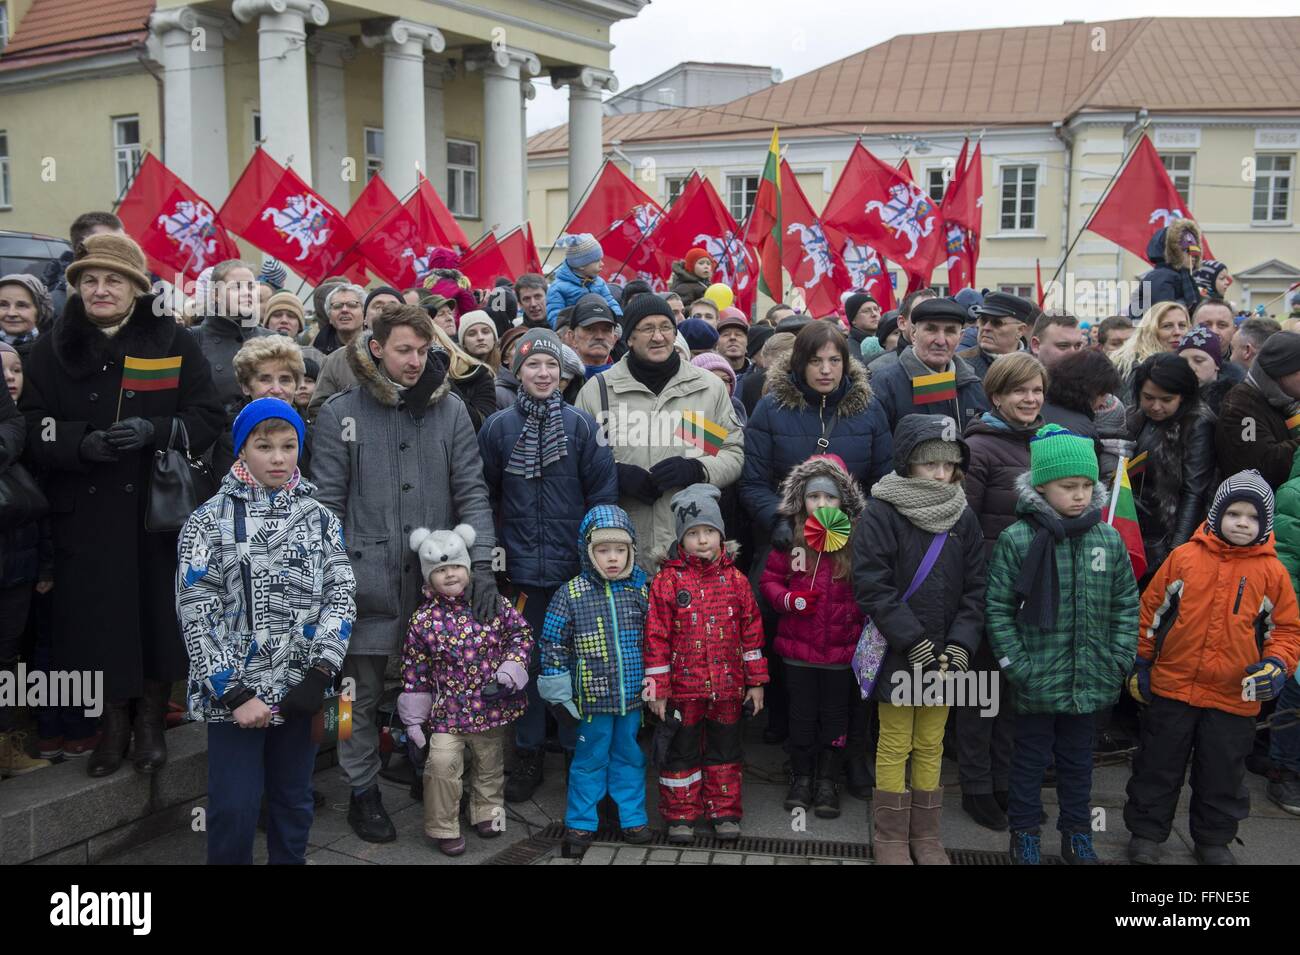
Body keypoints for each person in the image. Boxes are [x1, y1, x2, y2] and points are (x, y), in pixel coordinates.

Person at [21, 233, 224, 778]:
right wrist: (76, 442)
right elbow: (30, 424)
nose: (100, 288)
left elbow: (207, 418)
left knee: (156, 617)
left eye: (113, 279)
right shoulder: (49, 347)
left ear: (136, 287)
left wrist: (155, 430)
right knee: (98, 622)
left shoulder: (173, 341)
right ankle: (113, 726)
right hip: (83, 516)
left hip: (154, 512)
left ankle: (152, 723)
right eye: (89, 279)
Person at [311, 303, 496, 844]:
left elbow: (472, 491)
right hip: (361, 583)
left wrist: (480, 565)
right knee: (352, 698)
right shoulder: (340, 413)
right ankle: (361, 790)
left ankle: (430, 775)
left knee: (439, 686)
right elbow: (324, 505)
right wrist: (331, 582)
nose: (415, 361)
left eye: (423, 349)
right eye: (403, 350)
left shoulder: (452, 411)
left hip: (436, 582)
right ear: (377, 349)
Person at [177, 398, 354, 864]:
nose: (278, 457)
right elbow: (197, 609)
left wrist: (319, 675)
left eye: (288, 445)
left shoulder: (320, 519)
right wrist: (233, 693)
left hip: (298, 690)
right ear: (241, 451)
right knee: (234, 807)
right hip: (235, 697)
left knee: (293, 800)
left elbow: (340, 597)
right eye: (264, 446)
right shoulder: (208, 520)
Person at [1126, 471, 1300, 865]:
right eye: (1234, 513)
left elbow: (1286, 630)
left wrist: (1276, 664)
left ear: (1266, 524)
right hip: (1173, 687)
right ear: (1216, 513)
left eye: (1253, 517)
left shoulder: (1272, 573)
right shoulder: (1184, 558)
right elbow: (1149, 615)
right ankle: (1147, 833)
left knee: (1223, 774)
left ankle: (1214, 838)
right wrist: (1139, 663)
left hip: (1234, 695)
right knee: (1157, 765)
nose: (1242, 522)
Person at [985, 424, 1139, 865]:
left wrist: (1117, 659)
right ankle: (1025, 834)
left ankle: (1077, 833)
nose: (1079, 495)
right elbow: (998, 608)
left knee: (1078, 765)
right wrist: (1019, 667)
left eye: (1087, 486)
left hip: (1091, 678)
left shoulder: (1107, 539)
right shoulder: (1019, 539)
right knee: (1030, 762)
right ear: (1041, 487)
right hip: (1036, 677)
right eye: (1068, 486)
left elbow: (1126, 604)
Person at [477, 328, 618, 801]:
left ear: (563, 373)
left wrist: (595, 559)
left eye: (551, 366)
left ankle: (579, 748)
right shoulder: (498, 427)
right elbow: (486, 495)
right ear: (518, 372)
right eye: (533, 365)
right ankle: (529, 750)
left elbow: (602, 496)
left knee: (578, 662)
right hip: (518, 571)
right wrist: (496, 554)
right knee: (529, 662)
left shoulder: (582, 426)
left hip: (574, 572)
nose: (543, 373)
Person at [853, 414, 985, 865]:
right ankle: (890, 835)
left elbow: (976, 587)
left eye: (948, 466)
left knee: (932, 742)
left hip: (946, 655)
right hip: (899, 649)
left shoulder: (963, 514)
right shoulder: (882, 512)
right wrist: (910, 639)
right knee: (894, 742)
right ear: (908, 463)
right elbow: (873, 584)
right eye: (930, 464)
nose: (941, 474)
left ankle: (926, 834)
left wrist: (962, 644)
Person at [574, 295, 743, 569]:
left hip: (689, 552)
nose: (658, 337)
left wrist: (697, 469)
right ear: (628, 338)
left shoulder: (705, 389)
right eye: (647, 328)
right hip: (621, 555)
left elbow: (731, 453)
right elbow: (577, 464)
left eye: (665, 327)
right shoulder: (599, 391)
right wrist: (615, 475)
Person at [398, 524, 532, 857]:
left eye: (456, 566)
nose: (450, 575)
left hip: (490, 705)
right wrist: (414, 721)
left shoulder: (492, 602)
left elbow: (521, 636)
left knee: (490, 764)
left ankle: (489, 815)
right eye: (440, 570)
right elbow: (415, 669)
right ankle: (443, 826)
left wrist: (508, 672)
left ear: (469, 568)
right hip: (448, 712)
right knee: (441, 765)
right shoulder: (423, 620)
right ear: (429, 578)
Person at [645, 484, 768, 844]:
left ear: (721, 535)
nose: (702, 540)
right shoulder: (667, 581)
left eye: (709, 532)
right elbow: (655, 638)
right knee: (680, 750)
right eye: (693, 533)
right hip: (683, 690)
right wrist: (657, 689)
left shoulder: (737, 581)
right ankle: (680, 814)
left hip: (728, 688)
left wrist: (756, 681)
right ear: (681, 538)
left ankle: (724, 810)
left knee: (725, 750)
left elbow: (752, 633)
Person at [957, 352, 1048, 830]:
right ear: (996, 397)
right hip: (991, 592)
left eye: (1036, 390)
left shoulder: (1048, 443)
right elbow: (962, 527)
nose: (1030, 399)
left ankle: (1007, 780)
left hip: (1034, 592)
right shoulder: (980, 449)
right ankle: (976, 786)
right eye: (1020, 391)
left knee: (1015, 694)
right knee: (981, 693)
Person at [537, 505, 653, 855]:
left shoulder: (642, 589)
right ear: (588, 552)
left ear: (631, 550)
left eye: (620, 550)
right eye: (603, 551)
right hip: (590, 699)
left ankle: (632, 817)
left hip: (632, 697)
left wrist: (658, 680)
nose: (613, 558)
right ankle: (582, 822)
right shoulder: (570, 594)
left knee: (630, 756)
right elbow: (553, 643)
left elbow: (656, 638)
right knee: (588, 759)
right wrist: (557, 686)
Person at [759, 454, 865, 819]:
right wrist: (789, 599)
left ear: (844, 501)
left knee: (836, 718)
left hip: (840, 651)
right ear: (801, 498)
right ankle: (801, 774)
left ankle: (828, 778)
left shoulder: (857, 536)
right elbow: (770, 581)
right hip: (798, 650)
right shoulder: (792, 536)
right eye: (814, 497)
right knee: (801, 716)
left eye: (831, 497)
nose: (822, 504)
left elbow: (870, 587)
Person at [1128, 354, 1215, 579]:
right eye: (1148, 397)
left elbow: (1194, 490)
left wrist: (1177, 549)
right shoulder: (1138, 418)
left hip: (1167, 534)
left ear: (1182, 397)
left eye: (1166, 400)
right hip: (1136, 525)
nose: (1156, 406)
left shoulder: (1197, 423)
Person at [191, 260, 274, 465]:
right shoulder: (193, 339)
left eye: (251, 286)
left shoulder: (273, 340)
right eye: (237, 287)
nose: (247, 293)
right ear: (215, 294)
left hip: (267, 452)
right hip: (208, 457)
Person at [870, 296, 990, 433]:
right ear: (914, 334)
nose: (940, 341)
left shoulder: (974, 385)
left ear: (960, 338)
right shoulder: (885, 385)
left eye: (950, 331)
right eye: (931, 329)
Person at [1216, 330, 1300, 489]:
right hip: (1254, 509)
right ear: (1281, 372)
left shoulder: (1290, 403)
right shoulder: (1241, 406)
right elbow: (1260, 465)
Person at [42, 211, 123, 316]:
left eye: (123, 243)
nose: (122, 250)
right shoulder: (54, 306)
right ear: (81, 250)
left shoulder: (137, 295)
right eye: (109, 244)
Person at [1112, 301, 1192, 406]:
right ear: (1150, 330)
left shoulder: (1187, 362)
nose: (1177, 332)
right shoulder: (1137, 368)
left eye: (1182, 325)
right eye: (1167, 326)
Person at [1129, 219, 1203, 316]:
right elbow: (1164, 317)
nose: (1193, 256)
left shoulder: (1184, 278)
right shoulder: (1161, 277)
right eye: (1187, 251)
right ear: (1174, 252)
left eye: (1196, 251)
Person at [546, 234, 622, 328]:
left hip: (600, 327)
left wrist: (618, 319)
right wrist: (566, 331)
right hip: (574, 334)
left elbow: (610, 302)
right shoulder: (558, 288)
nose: (602, 264)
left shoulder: (599, 282)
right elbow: (555, 315)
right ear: (581, 265)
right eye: (597, 261)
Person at [958, 291, 1032, 381]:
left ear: (1020, 330)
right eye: (983, 320)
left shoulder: (1035, 367)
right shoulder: (958, 363)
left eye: (997, 323)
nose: (986, 327)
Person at [867, 288, 937, 377]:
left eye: (938, 317)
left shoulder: (951, 365)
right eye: (920, 316)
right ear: (902, 323)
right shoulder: (877, 369)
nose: (930, 323)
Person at [1177, 325, 1234, 415]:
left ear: (1217, 364)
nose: (1190, 368)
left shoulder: (1234, 403)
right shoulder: (1171, 398)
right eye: (1183, 361)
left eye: (1198, 361)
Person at [0, 274, 55, 357]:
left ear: (40, 310)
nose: (11, 313)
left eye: (21, 305)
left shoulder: (55, 352)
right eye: (3, 305)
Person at [568, 293, 619, 378]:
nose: (600, 336)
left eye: (606, 330)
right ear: (572, 337)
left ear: (614, 339)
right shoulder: (557, 381)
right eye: (590, 329)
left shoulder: (629, 378)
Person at [311, 283, 366, 357]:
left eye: (352, 305)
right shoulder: (315, 353)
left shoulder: (380, 346)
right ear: (329, 317)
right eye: (337, 306)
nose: (344, 310)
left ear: (364, 313)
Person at [457, 309, 500, 373]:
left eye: (485, 332)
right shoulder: (455, 375)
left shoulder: (510, 372)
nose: (480, 338)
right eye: (472, 334)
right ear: (463, 343)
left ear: (494, 339)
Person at [845, 292, 882, 363]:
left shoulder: (887, 341)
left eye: (876, 309)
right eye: (866, 311)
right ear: (853, 320)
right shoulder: (848, 350)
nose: (874, 314)